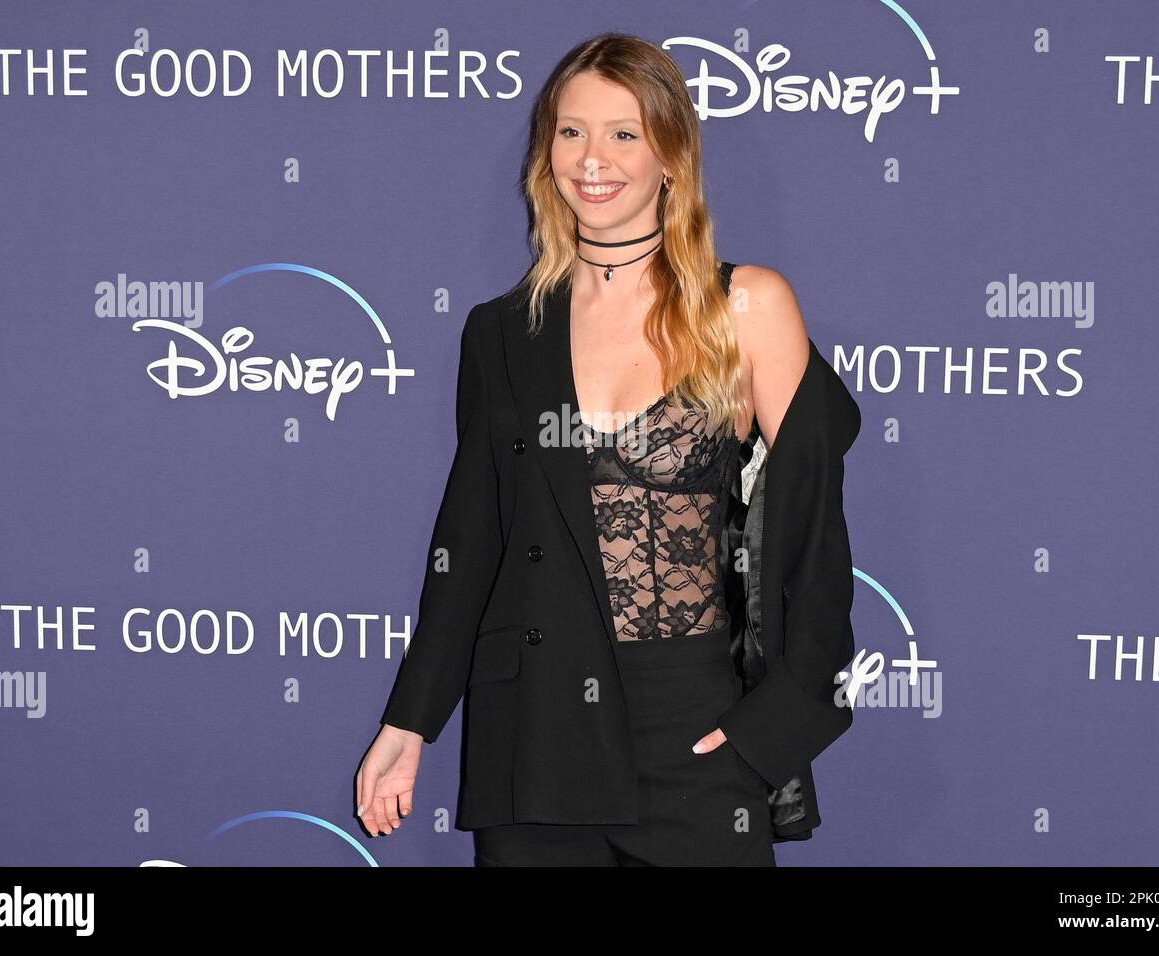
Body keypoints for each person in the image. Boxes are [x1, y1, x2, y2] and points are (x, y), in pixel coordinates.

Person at [356, 32, 860, 866]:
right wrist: (409, 723)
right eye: (571, 131)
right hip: (536, 739)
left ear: (671, 154)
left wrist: (774, 726)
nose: (593, 158)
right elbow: (472, 544)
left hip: (696, 734)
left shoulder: (748, 308)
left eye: (625, 133)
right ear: (544, 151)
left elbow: (815, 541)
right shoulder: (503, 332)